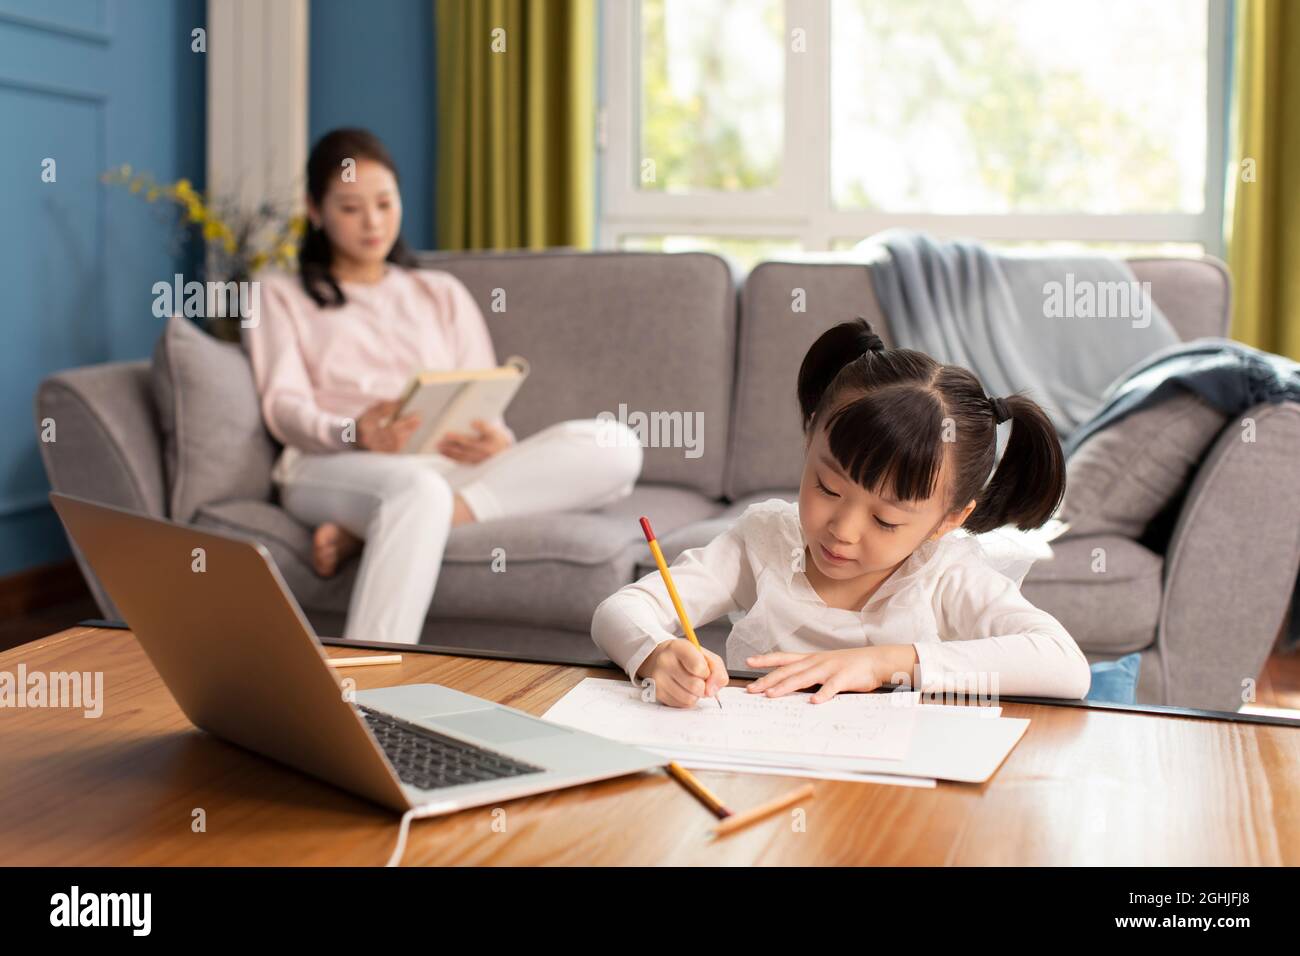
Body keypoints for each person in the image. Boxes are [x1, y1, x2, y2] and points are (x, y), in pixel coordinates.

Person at [242, 128, 642, 645]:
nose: (373, 222)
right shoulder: (278, 295)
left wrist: (495, 438)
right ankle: (367, 687)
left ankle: (371, 534)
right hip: (334, 465)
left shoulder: (440, 293)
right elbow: (283, 405)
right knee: (418, 490)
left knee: (614, 445)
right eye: (351, 208)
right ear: (314, 210)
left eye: (385, 203)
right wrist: (354, 432)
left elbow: (481, 391)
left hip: (444, 463)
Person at [591, 317, 1091, 706]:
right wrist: (657, 656)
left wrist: (884, 664)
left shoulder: (941, 574)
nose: (842, 530)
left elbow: (1066, 664)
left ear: (948, 521)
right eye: (828, 488)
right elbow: (618, 610)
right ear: (809, 440)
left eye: (885, 520)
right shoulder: (765, 542)